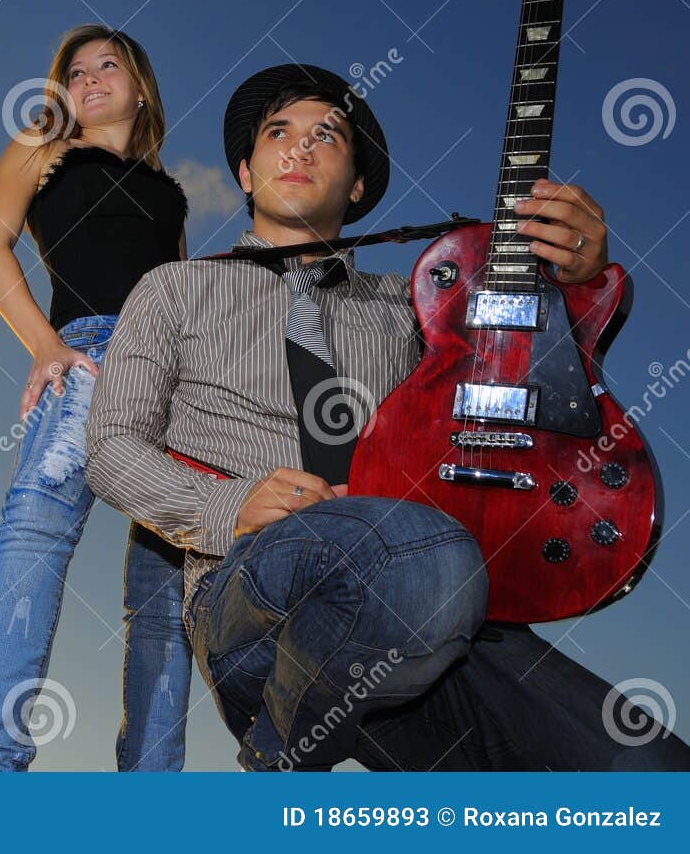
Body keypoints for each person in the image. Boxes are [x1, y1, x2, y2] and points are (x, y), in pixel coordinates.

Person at [84, 62, 690, 770]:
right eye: (278, 133)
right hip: (250, 586)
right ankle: (284, 751)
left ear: (360, 184)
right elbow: (110, 446)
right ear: (246, 173)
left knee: (657, 775)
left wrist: (578, 275)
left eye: (327, 136)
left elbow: (517, 385)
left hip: (432, 600)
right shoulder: (172, 288)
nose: (300, 148)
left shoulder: (419, 308)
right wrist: (232, 502)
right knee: (426, 557)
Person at [0, 25, 191, 772]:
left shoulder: (169, 189)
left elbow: (180, 291)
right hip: (88, 352)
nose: (90, 78)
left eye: (108, 65)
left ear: (141, 85)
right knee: (37, 531)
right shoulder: (41, 150)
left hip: (174, 375)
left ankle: (149, 783)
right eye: (75, 70)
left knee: (167, 576)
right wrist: (45, 343)